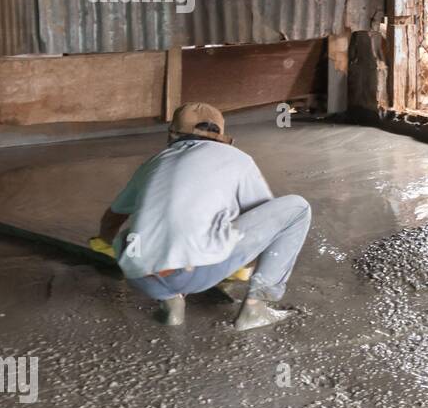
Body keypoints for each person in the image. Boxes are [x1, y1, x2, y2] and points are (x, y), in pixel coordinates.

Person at [96, 102, 312, 328]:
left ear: (172, 134)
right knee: (297, 209)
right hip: (196, 272)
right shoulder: (238, 158)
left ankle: (171, 304)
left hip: (141, 277)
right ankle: (256, 307)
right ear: (221, 134)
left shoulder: (154, 162)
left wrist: (103, 243)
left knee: (138, 234)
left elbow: (112, 217)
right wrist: (239, 265)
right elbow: (264, 219)